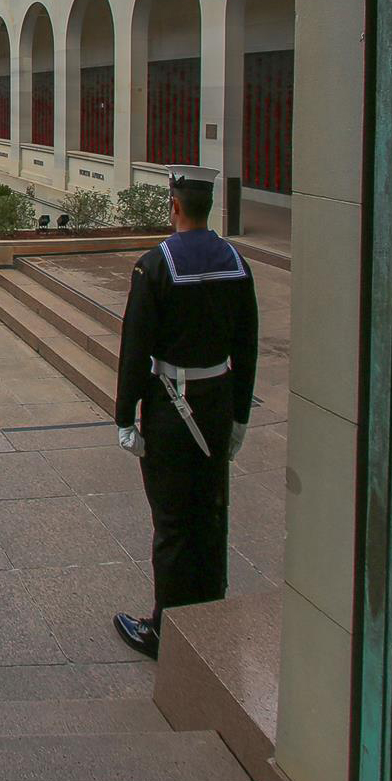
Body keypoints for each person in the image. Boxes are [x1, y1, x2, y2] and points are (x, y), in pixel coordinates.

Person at [111, 165, 258, 660]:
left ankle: (166, 629)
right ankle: (211, 614)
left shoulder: (155, 264)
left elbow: (136, 349)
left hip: (174, 410)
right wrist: (240, 415)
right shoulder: (237, 261)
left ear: (173, 204)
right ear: (208, 206)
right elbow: (249, 346)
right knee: (212, 513)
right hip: (218, 400)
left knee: (173, 521)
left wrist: (124, 417)